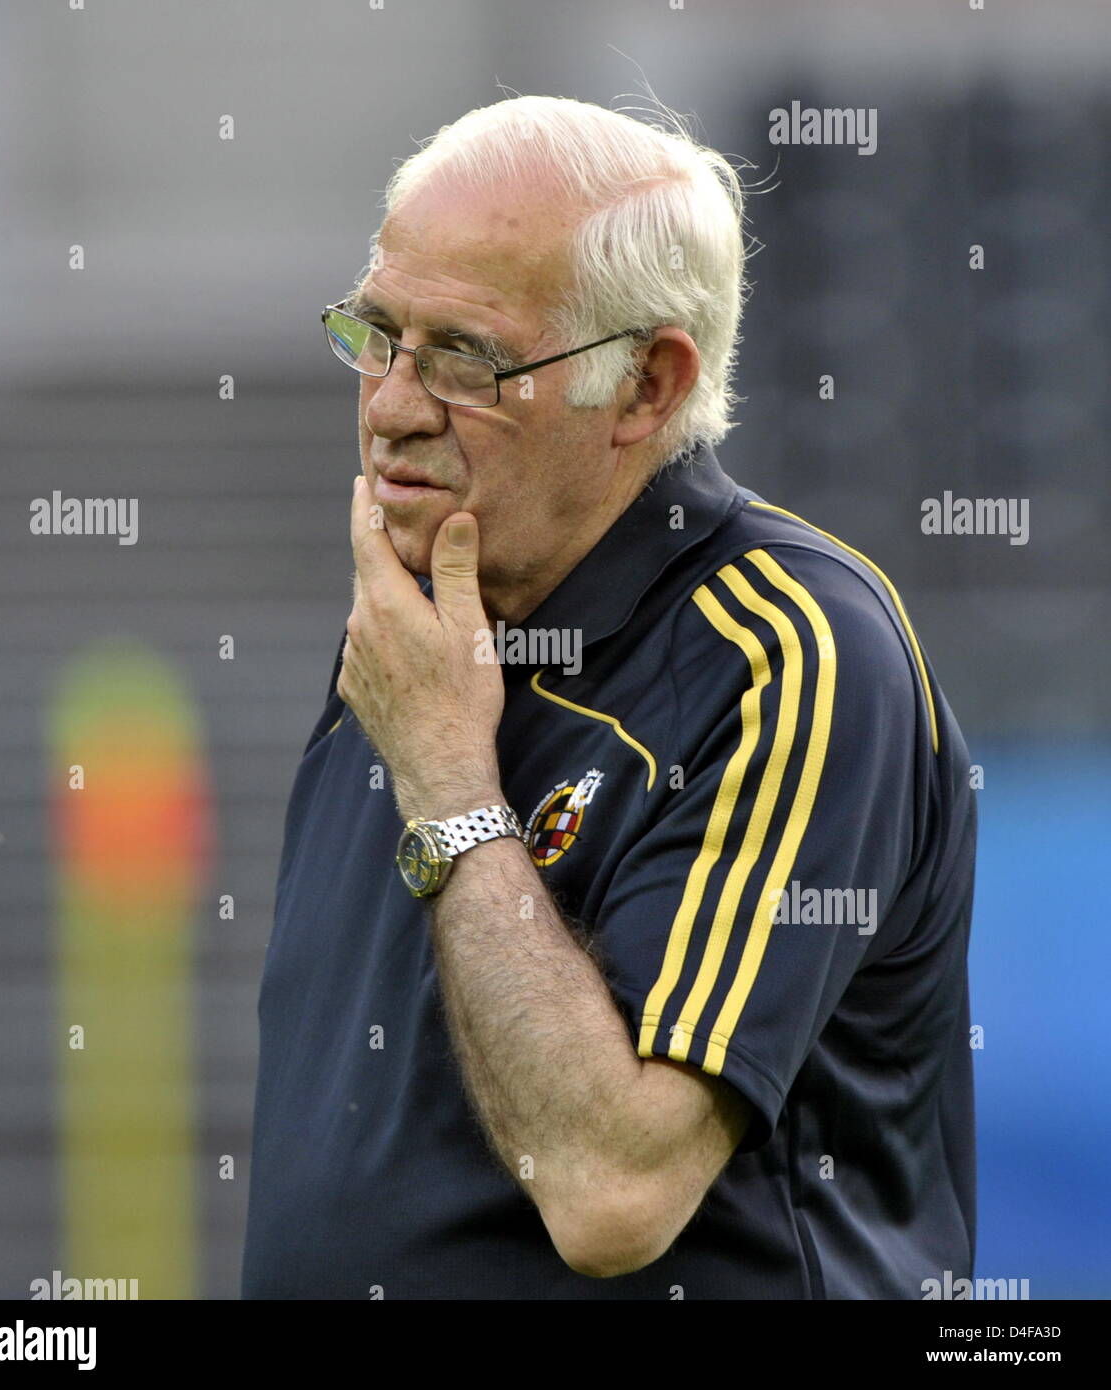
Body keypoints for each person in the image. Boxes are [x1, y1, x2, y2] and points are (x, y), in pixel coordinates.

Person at [241, 95, 977, 1299]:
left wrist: (447, 780)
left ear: (644, 384)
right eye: (374, 335)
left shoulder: (793, 650)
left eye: (464, 359)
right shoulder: (414, 622)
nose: (389, 407)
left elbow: (609, 1191)